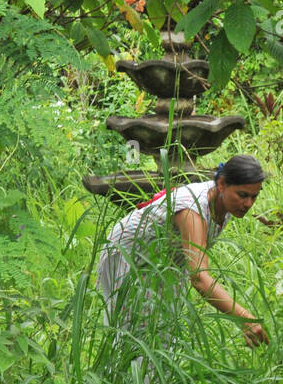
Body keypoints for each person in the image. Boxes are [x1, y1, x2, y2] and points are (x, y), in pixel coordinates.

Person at [96, 154, 271, 363]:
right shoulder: (192, 209)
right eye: (243, 195)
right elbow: (199, 277)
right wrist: (245, 318)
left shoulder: (224, 203)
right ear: (222, 184)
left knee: (164, 333)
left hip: (165, 262)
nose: (248, 203)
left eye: (254, 197)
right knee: (133, 337)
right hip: (127, 257)